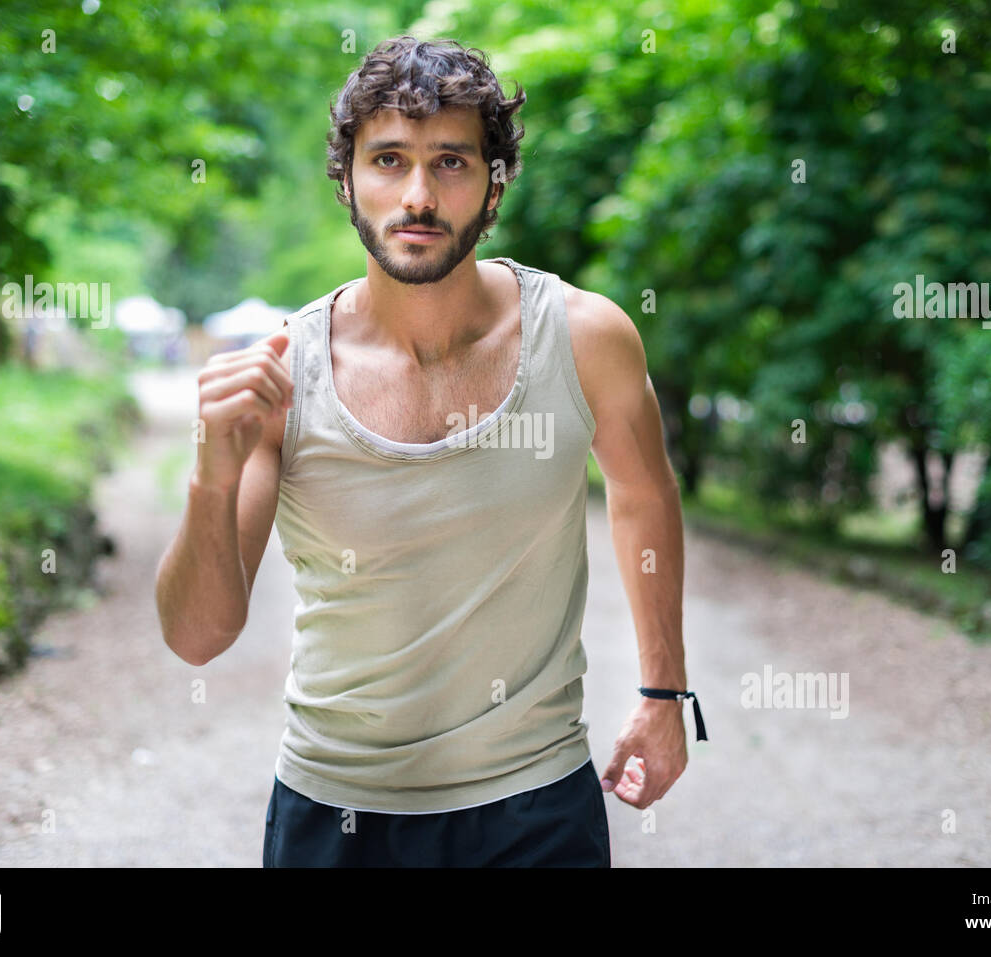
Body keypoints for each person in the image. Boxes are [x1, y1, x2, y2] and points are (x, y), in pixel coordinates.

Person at [155, 35, 701, 867]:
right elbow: (197, 637)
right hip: (335, 809)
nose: (417, 194)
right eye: (388, 160)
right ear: (345, 180)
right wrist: (209, 476)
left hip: (536, 806)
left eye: (451, 162)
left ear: (494, 186)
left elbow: (643, 492)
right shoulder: (284, 374)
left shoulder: (586, 338)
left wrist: (664, 691)